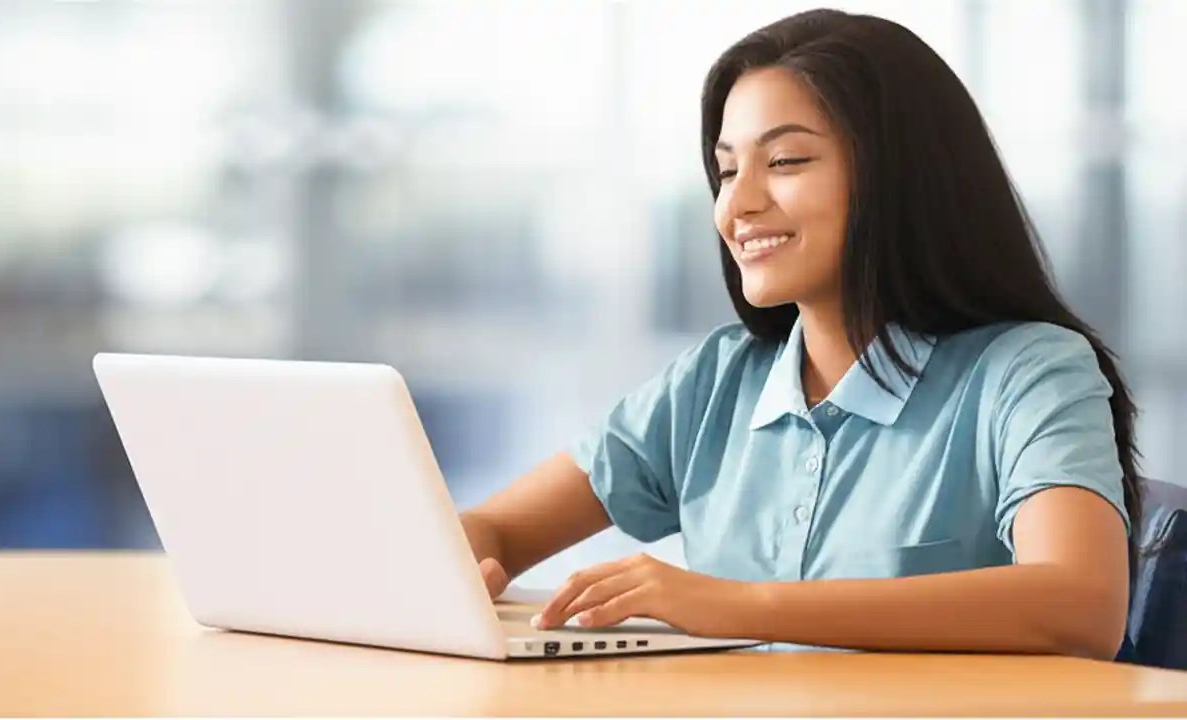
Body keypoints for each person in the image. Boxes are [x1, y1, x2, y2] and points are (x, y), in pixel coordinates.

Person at [459, 8, 1142, 660]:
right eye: (727, 170)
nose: (740, 202)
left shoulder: (1029, 371)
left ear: (899, 175)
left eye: (784, 162)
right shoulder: (716, 380)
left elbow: (1080, 603)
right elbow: (495, 531)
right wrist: (443, 561)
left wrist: (739, 605)